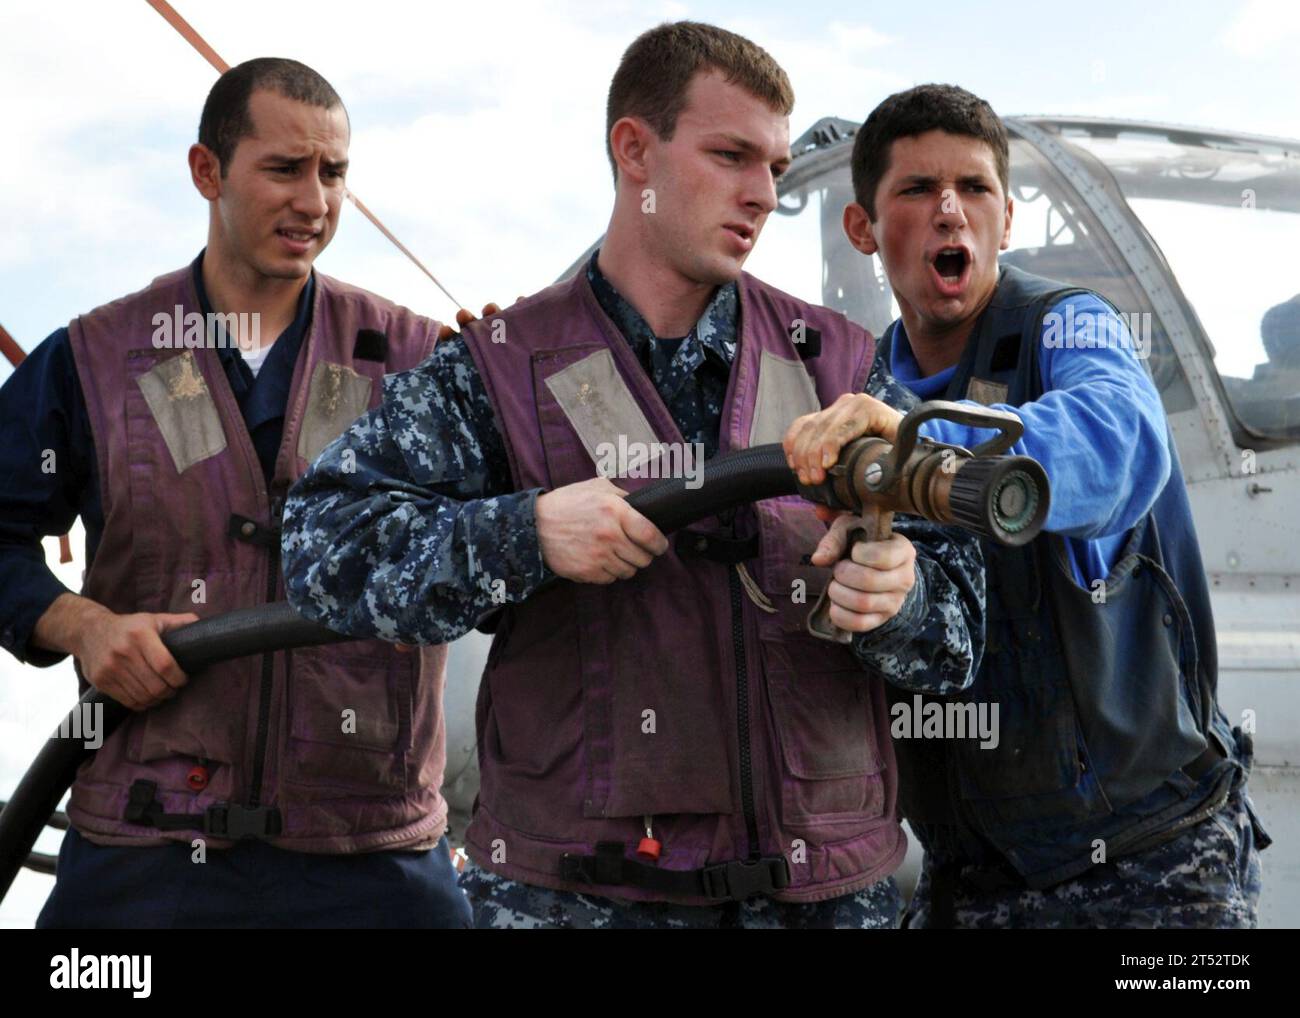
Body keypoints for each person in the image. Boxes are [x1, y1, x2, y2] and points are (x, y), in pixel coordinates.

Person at [282, 22, 984, 929]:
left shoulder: (842, 365)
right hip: (576, 902)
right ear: (634, 151)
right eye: (731, 155)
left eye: (774, 166)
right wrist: (524, 534)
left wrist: (907, 600)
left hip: (825, 902)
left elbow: (962, 635)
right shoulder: (500, 371)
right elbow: (320, 546)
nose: (763, 194)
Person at [0, 57, 472, 928]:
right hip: (145, 857)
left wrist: (530, 364)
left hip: (373, 862)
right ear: (206, 172)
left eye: (333, 173)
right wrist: (83, 625)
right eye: (285, 170)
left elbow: (560, 521)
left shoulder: (424, 361)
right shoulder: (93, 359)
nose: (315, 203)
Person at [786, 83, 1268, 928]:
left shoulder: (1067, 329)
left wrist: (921, 441)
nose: (949, 212)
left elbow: (1120, 436)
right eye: (916, 190)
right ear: (862, 229)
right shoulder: (859, 388)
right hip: (972, 879)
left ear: (1006, 220)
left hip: (1152, 866)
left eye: (974, 189)